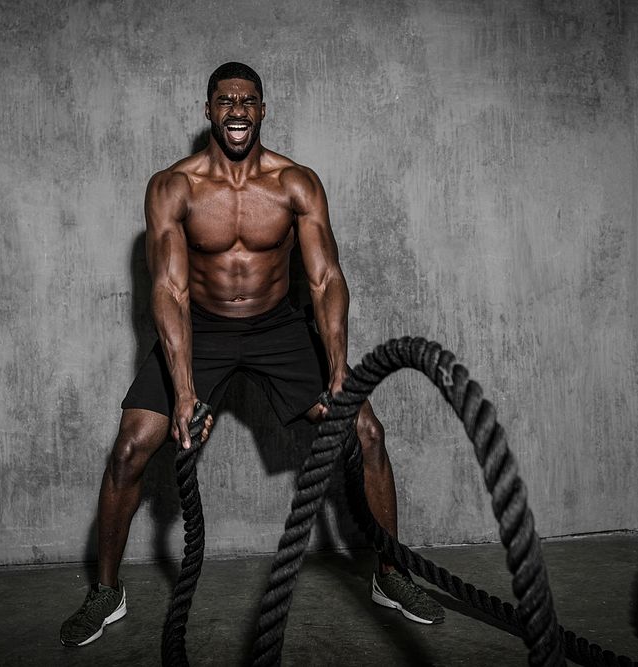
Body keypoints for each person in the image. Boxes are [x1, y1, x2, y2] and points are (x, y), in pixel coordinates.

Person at [60, 62, 444, 648]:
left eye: (248, 100)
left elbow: (324, 280)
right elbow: (169, 289)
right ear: (208, 109)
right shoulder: (174, 186)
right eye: (225, 100)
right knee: (132, 446)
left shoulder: (296, 183)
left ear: (262, 110)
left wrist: (339, 369)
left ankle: (390, 575)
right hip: (201, 329)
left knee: (366, 433)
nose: (236, 110)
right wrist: (185, 390)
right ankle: (105, 592)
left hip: (279, 328)